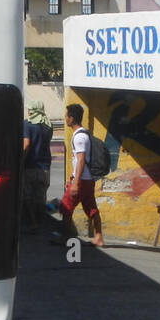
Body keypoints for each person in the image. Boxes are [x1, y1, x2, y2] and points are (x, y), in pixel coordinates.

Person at [54, 103, 103, 247]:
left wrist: (75, 182)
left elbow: (81, 160)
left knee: (66, 207)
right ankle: (98, 237)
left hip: (81, 181)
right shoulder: (83, 134)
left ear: (72, 118)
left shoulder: (79, 137)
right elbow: (78, 161)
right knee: (91, 208)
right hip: (87, 180)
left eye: (66, 116)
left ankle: (66, 237)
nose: (65, 119)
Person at [21, 101, 53, 231]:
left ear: (33, 111)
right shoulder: (48, 126)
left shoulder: (27, 124)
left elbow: (26, 144)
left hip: (30, 165)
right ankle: (40, 223)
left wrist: (21, 160)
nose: (28, 112)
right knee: (40, 196)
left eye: (29, 110)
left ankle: (33, 223)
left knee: (28, 196)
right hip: (45, 166)